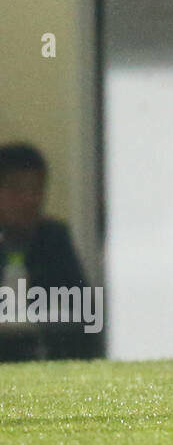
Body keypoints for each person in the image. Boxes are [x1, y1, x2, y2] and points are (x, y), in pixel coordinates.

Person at [0, 144, 97, 361]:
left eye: (36, 190)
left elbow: (84, 312)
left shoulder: (54, 239)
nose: (28, 200)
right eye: (16, 190)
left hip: (45, 356)